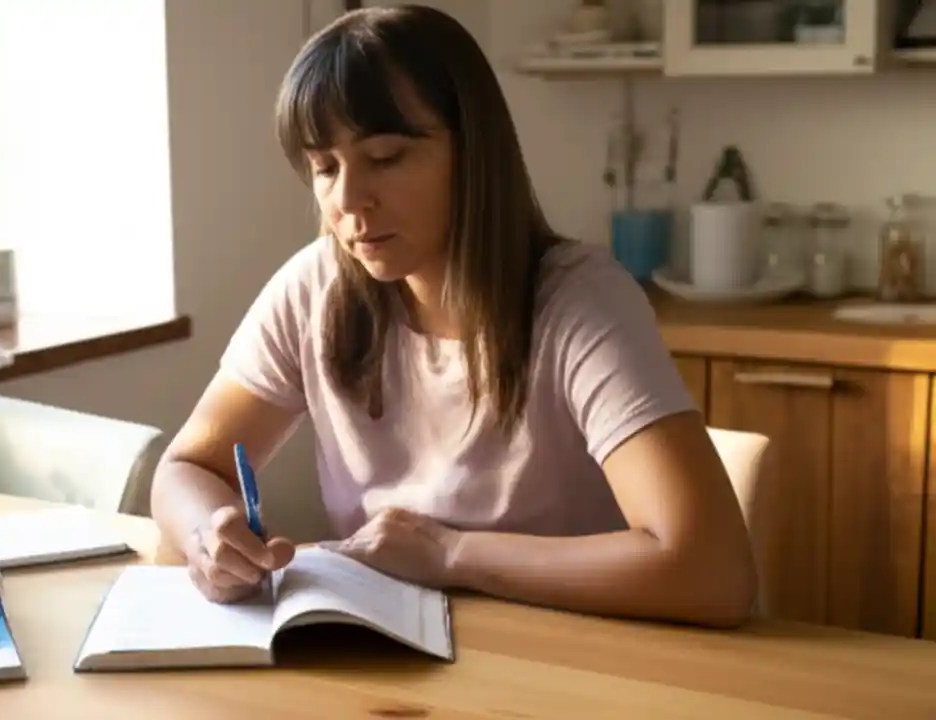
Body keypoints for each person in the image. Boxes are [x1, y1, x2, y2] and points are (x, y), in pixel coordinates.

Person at [150, 5, 757, 628]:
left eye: (386, 156)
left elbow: (711, 571)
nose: (348, 199)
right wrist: (208, 535)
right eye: (325, 168)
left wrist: (451, 554)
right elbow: (186, 468)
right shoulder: (315, 289)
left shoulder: (580, 302)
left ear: (473, 153)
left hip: (570, 654)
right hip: (390, 651)